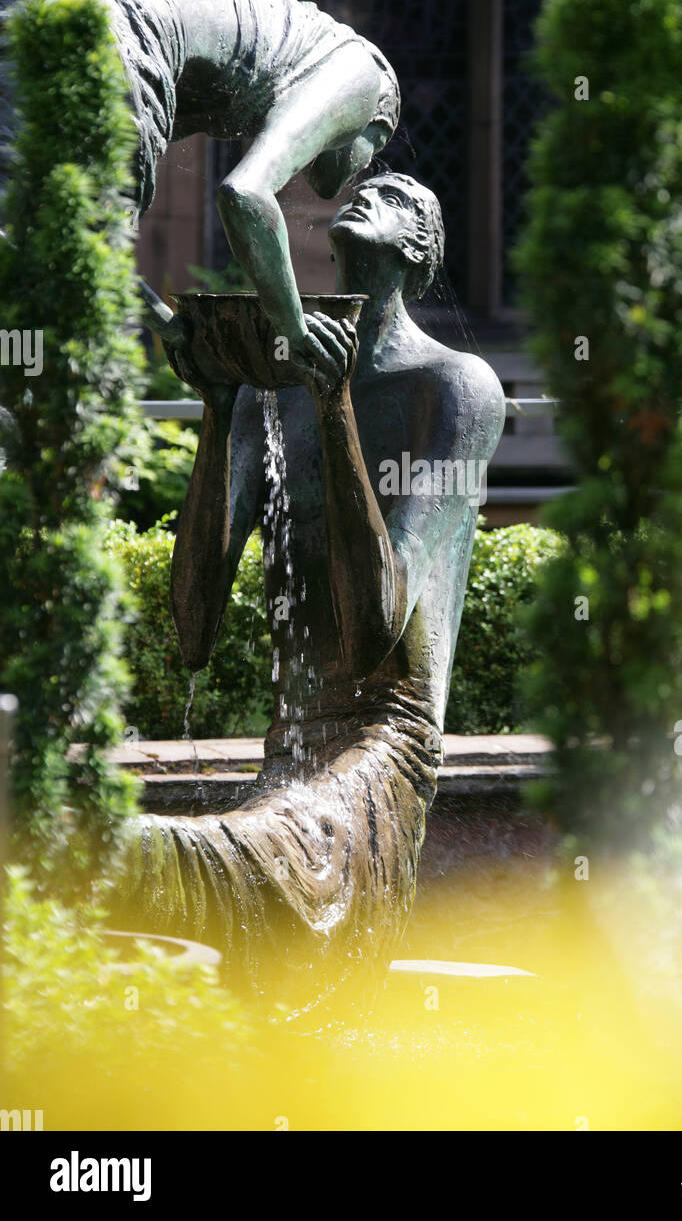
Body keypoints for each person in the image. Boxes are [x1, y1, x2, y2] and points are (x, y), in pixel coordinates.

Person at [123, 174, 505, 1002]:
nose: (366, 194)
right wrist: (221, 406)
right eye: (360, 188)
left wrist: (333, 411)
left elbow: (374, 634)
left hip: (383, 753)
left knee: (173, 861)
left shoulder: (456, 389)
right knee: (169, 875)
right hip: (289, 757)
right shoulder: (279, 396)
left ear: (419, 249)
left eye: (397, 194)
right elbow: (191, 631)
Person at [0, 0, 400, 378]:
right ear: (378, 116)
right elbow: (245, 195)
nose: (364, 167)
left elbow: (78, 251)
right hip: (113, 21)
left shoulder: (271, 48)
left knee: (37, 239)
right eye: (377, 145)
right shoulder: (359, 74)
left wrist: (175, 331)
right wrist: (293, 329)